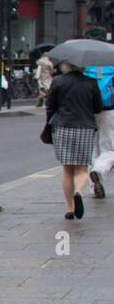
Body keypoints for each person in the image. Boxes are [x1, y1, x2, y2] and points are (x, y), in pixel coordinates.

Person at [45, 60, 102, 220]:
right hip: (84, 127)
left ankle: (70, 208)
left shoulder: (58, 81)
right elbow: (98, 107)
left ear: (66, 66)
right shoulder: (91, 83)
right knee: (82, 169)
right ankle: (78, 192)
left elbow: (50, 105)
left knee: (67, 169)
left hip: (62, 127)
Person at [82, 64, 114, 200]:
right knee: (109, 147)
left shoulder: (85, 70)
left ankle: (94, 188)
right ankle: (99, 170)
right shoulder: (111, 70)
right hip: (109, 111)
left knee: (92, 150)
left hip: (89, 112)